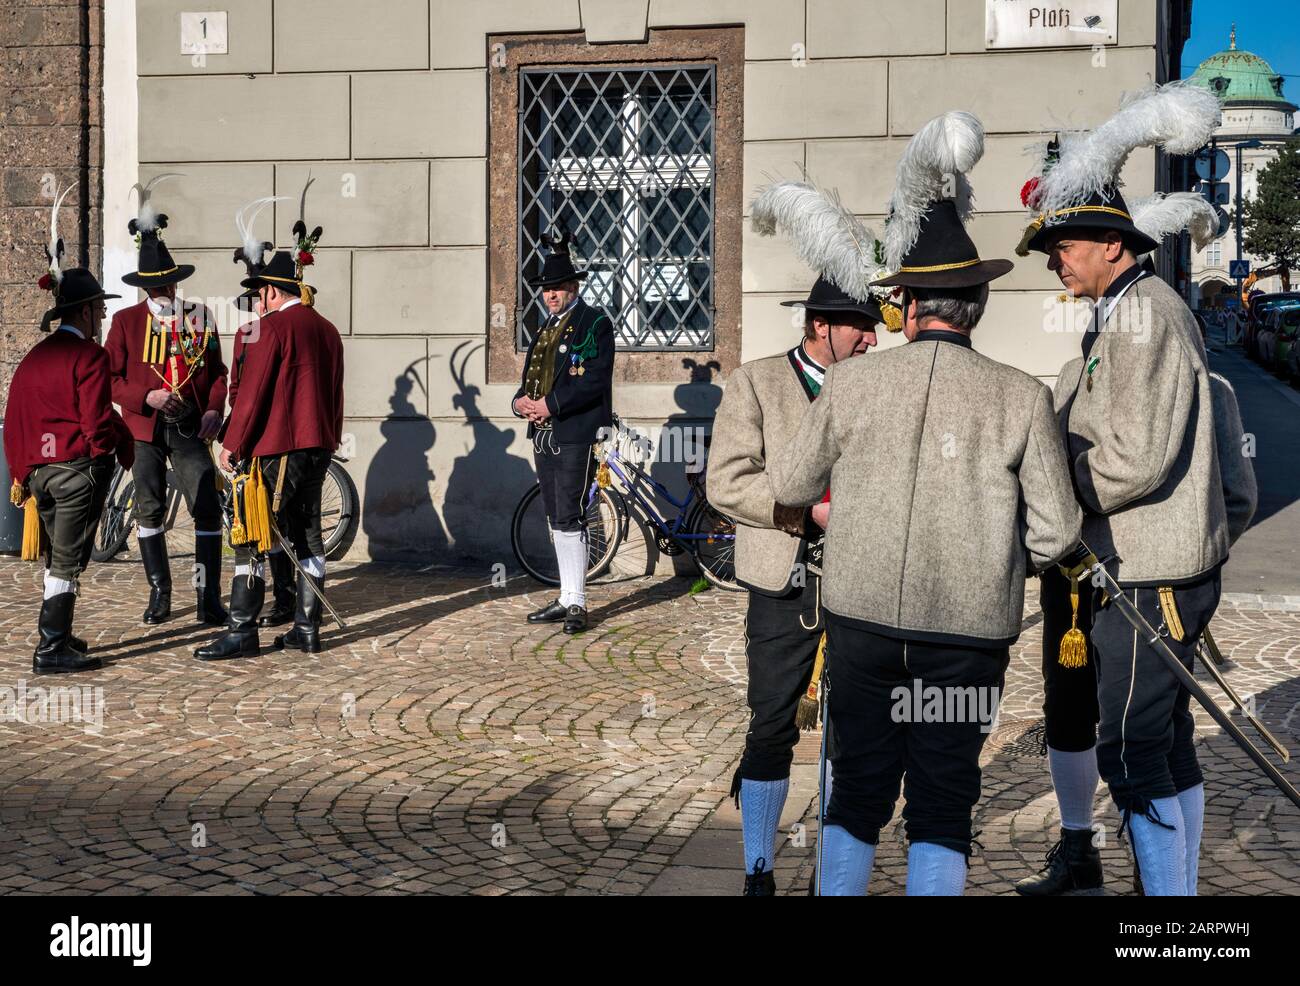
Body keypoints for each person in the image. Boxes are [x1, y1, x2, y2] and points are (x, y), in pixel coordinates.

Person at [767, 112, 1082, 896]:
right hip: (967, 633)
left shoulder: (848, 381)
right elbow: (1057, 532)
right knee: (943, 798)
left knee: (860, 787)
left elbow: (792, 488)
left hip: (863, 621)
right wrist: (998, 552)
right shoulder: (1021, 396)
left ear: (908, 305)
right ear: (974, 305)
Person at [1014, 81, 1229, 896]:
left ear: (1110, 242)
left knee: (1136, 749)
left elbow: (1133, 460)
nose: (1055, 260)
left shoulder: (1147, 315)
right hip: (1147, 566)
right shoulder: (1121, 314)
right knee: (1161, 741)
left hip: (1152, 572)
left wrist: (1052, 491)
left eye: (1063, 245)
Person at [710, 176, 891, 894]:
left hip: (860, 578)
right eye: (860, 327)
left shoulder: (876, 386)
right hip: (780, 577)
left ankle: (837, 875)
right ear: (821, 325)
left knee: (856, 729)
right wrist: (802, 515)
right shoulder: (755, 383)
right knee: (771, 724)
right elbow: (726, 482)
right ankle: (758, 866)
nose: (874, 337)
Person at [4, 193, 133, 673]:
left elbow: (16, 424)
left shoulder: (33, 359)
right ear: (84, 312)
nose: (101, 316)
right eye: (98, 309)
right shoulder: (89, 357)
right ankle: (50, 648)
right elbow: (96, 419)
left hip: (37, 474)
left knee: (59, 556)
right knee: (68, 560)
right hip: (76, 471)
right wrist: (108, 453)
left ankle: (59, 636)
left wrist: (21, 473)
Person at [195, 245, 344, 661]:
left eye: (260, 293)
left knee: (252, 535)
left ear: (273, 293)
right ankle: (306, 628)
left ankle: (242, 631)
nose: (257, 301)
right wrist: (329, 439)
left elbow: (253, 395)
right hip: (318, 447)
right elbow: (335, 395)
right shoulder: (328, 330)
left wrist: (232, 444)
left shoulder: (272, 329)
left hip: (278, 449)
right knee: (309, 538)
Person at [103, 177, 228, 627]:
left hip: (191, 425)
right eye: (157, 288)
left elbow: (218, 374)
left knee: (207, 506)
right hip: (144, 429)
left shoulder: (200, 317)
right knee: (149, 508)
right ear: (145, 290)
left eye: (170, 286)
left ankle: (207, 595)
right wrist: (146, 396)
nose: (166, 295)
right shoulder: (125, 322)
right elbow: (109, 380)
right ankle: (160, 593)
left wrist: (215, 409)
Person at [512, 232, 615, 635]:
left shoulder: (594, 323)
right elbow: (532, 379)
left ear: (574, 287)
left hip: (574, 431)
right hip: (543, 434)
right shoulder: (545, 330)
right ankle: (566, 595)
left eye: (557, 288)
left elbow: (593, 380)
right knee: (555, 516)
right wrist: (520, 402)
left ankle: (578, 602)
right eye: (546, 290)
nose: (551, 296)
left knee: (570, 515)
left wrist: (549, 406)